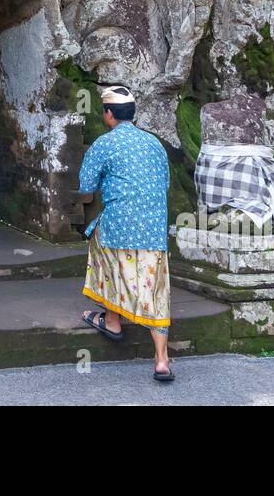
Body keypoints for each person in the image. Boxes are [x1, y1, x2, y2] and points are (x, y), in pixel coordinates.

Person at [78, 85, 174, 382]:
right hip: (154, 230)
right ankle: (162, 360)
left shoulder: (104, 144)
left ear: (108, 114)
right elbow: (166, 183)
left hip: (118, 226)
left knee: (101, 249)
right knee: (157, 289)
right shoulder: (155, 143)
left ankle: (113, 319)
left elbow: (85, 185)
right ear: (133, 114)